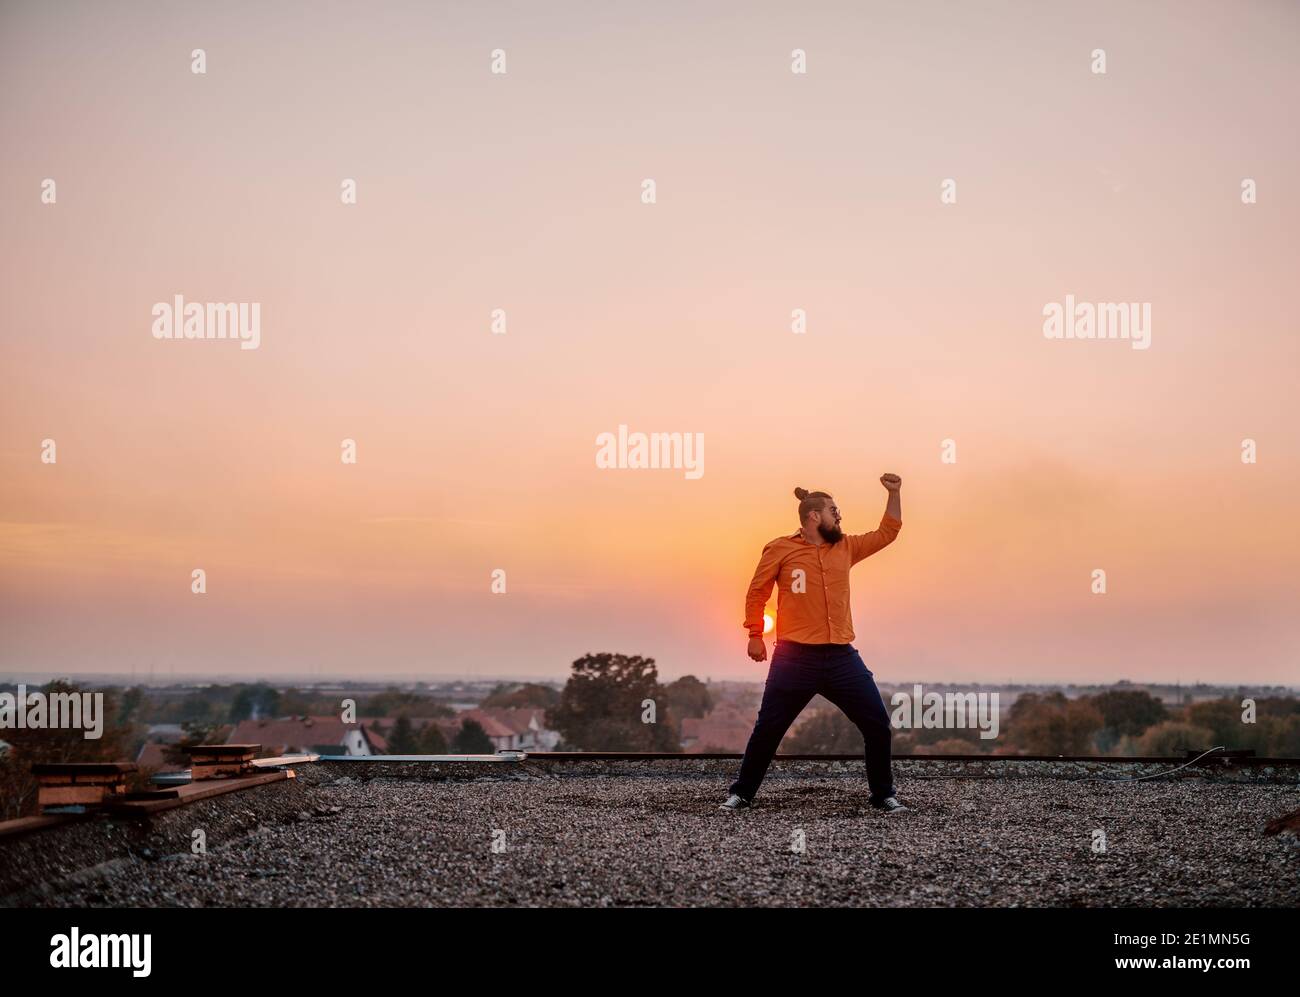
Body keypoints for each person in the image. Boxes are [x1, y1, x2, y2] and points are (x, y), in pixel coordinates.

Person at [721, 475, 909, 814]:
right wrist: (754, 634)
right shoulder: (780, 548)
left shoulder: (846, 547)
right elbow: (757, 592)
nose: (839, 516)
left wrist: (894, 493)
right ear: (813, 517)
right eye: (833, 510)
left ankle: (883, 796)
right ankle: (742, 794)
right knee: (769, 729)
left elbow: (888, 531)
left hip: (841, 658)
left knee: (877, 723)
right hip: (794, 658)